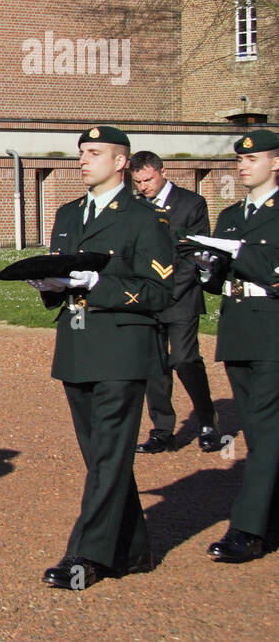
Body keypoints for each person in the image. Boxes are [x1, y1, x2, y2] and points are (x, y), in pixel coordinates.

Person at [26, 126, 172, 590]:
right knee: (102, 457)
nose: (83, 161)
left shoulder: (146, 219)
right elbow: (59, 273)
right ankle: (133, 550)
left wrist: (99, 285)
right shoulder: (69, 214)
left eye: (94, 153)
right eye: (81, 153)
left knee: (109, 453)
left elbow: (159, 290)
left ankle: (85, 554)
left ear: (121, 161)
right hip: (78, 344)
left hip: (123, 348)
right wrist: (49, 286)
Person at [193, 129, 279, 562]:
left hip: (273, 329)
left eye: (253, 158)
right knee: (263, 431)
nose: (243, 165)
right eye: (240, 160)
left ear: (275, 163)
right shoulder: (228, 215)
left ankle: (246, 529)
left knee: (264, 433)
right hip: (237, 326)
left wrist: (237, 253)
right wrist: (206, 267)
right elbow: (218, 279)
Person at [128, 150, 219, 453]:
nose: (144, 187)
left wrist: (167, 291)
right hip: (147, 298)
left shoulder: (191, 203)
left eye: (148, 179)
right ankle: (162, 430)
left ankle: (207, 420)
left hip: (180, 295)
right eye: (138, 181)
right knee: (154, 366)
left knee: (183, 358)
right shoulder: (135, 207)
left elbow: (194, 255)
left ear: (162, 171)